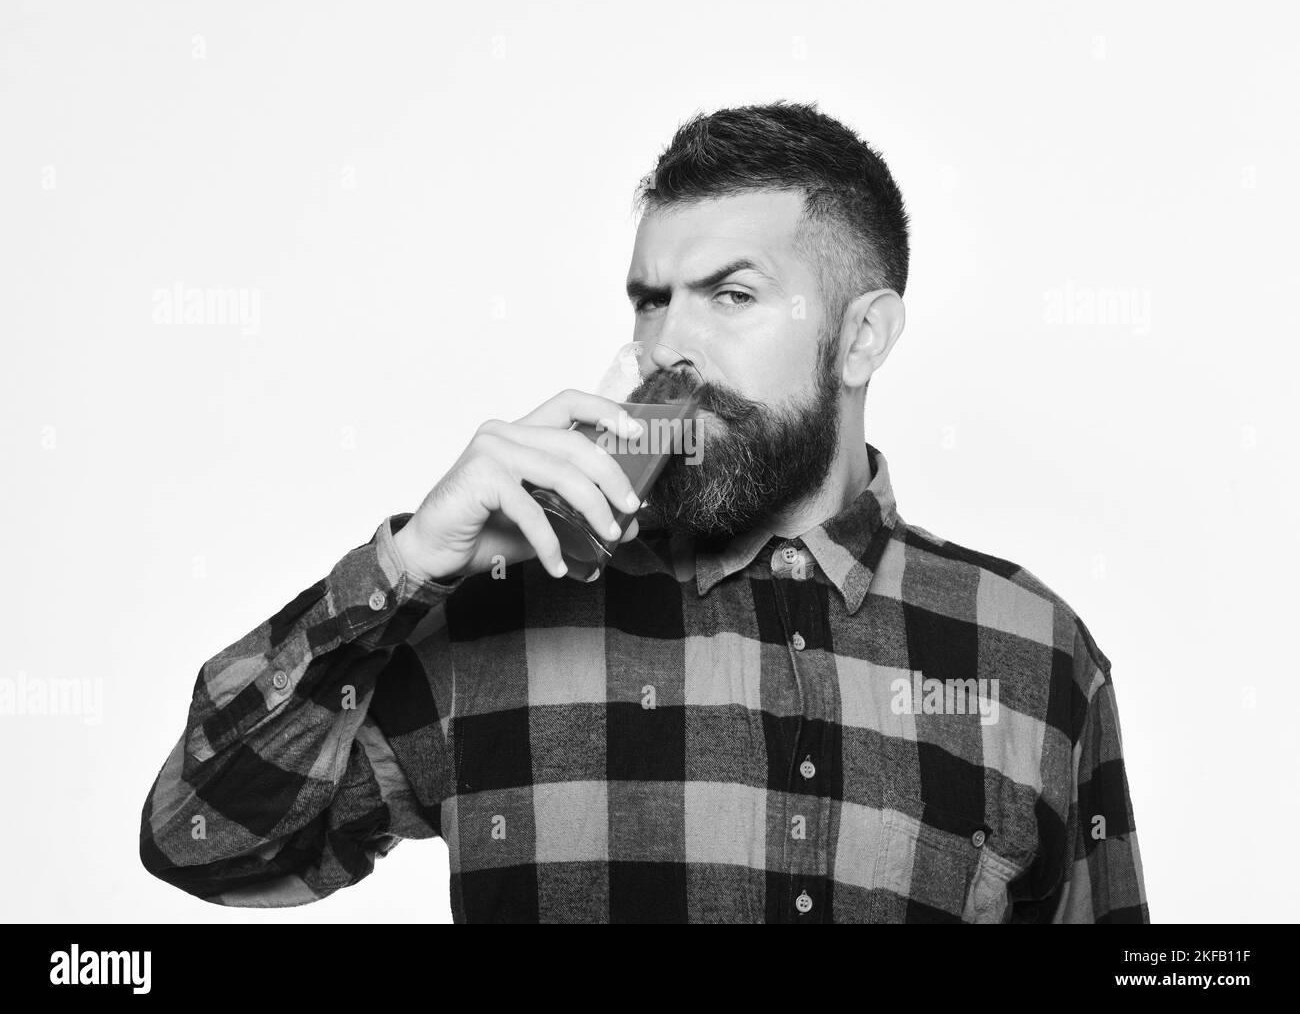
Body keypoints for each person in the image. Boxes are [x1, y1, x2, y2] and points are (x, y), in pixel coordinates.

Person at [139, 101, 1149, 923]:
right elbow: (199, 837)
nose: (670, 346)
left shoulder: (1029, 650)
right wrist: (406, 564)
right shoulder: (504, 612)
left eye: (729, 296)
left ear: (860, 337)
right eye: (650, 300)